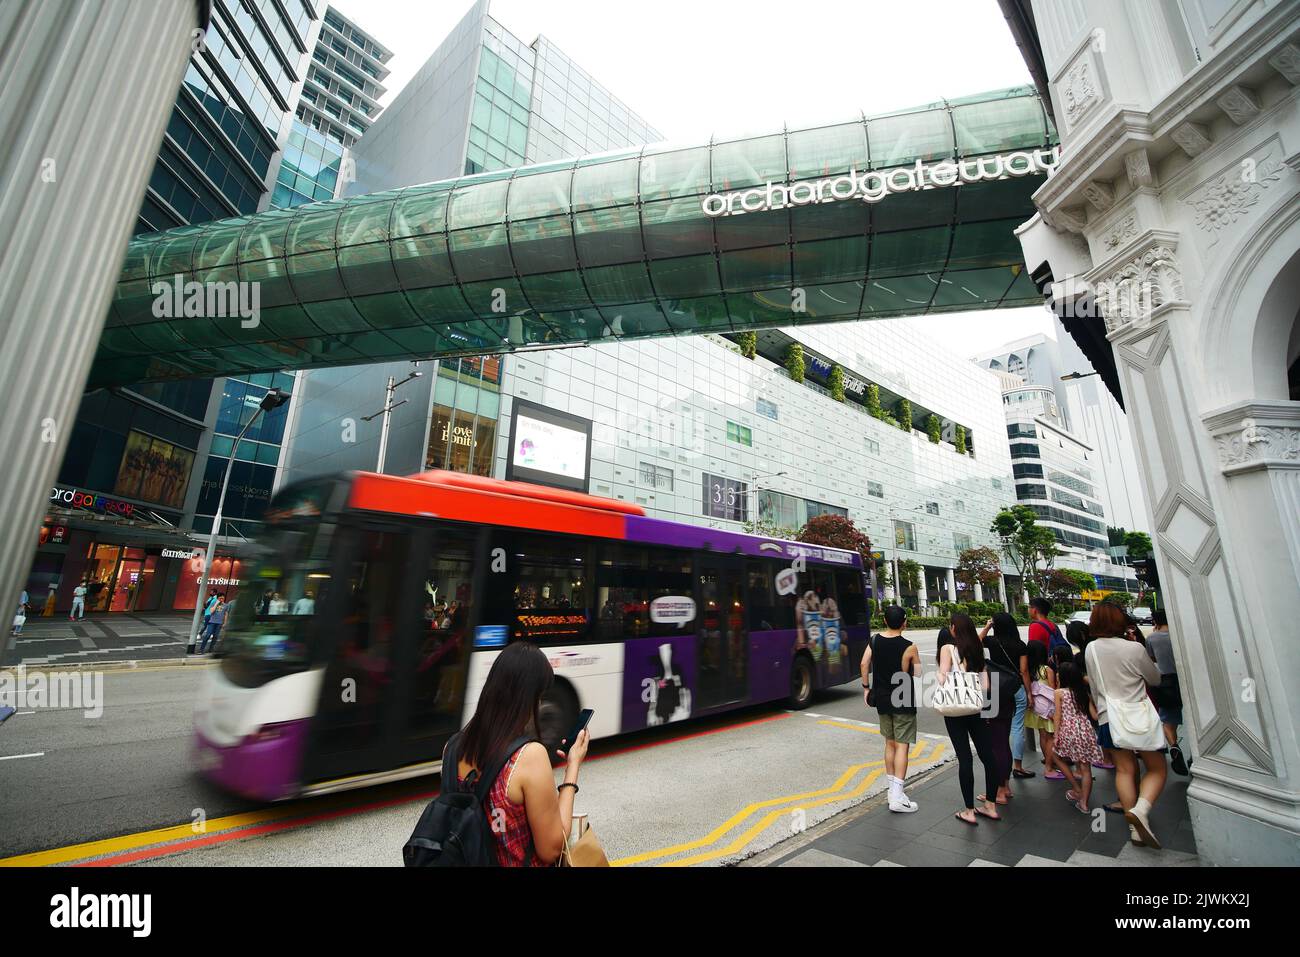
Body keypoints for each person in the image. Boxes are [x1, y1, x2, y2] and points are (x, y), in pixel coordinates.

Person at [450, 641, 589, 866]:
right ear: (529, 698)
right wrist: (573, 767)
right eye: (540, 697)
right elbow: (552, 848)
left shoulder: (453, 748)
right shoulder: (528, 756)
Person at [1085, 602, 1166, 848]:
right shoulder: (1134, 648)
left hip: (1110, 716)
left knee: (1124, 770)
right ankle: (1141, 809)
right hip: (1138, 715)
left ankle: (1135, 828)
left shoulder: (1091, 649)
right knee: (1157, 768)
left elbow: (1096, 687)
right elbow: (1155, 679)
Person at [938, 614, 1001, 826]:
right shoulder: (978, 650)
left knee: (965, 759)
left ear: (954, 628)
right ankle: (990, 805)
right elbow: (986, 687)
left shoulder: (947, 649)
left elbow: (942, 676)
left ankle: (969, 811)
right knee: (988, 756)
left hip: (955, 711)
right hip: (975, 709)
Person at [861, 605, 920, 813]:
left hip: (883, 698)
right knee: (902, 746)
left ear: (885, 621)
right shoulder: (910, 646)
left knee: (889, 743)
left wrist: (866, 688)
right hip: (903, 697)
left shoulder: (875, 640)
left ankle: (892, 791)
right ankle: (897, 796)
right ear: (904, 622)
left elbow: (864, 663)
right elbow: (917, 672)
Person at [979, 612, 1029, 803]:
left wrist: (987, 626)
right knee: (1012, 733)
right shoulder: (1020, 645)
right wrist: (1029, 693)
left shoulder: (992, 641)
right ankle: (1006, 786)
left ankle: (999, 791)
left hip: (996, 690)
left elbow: (976, 642)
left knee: (996, 743)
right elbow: (1024, 671)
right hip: (1015, 689)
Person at [1053, 659, 1103, 813]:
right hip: (1085, 730)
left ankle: (1076, 788)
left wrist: (1056, 735)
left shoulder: (1059, 693)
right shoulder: (1083, 693)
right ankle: (1084, 803)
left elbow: (1057, 715)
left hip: (1068, 730)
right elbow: (1094, 716)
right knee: (1086, 769)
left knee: (1057, 756)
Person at [1145, 610, 1188, 775]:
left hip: (1165, 682)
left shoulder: (1152, 638)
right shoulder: (1178, 635)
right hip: (1184, 679)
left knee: (1168, 721)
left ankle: (1174, 746)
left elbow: (1151, 658)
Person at [1024, 641, 1065, 780]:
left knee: (1042, 736)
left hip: (1036, 708)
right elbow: (1053, 690)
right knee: (1051, 737)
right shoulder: (1047, 669)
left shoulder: (1028, 669)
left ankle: (1048, 761)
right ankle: (1049, 767)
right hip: (1048, 708)